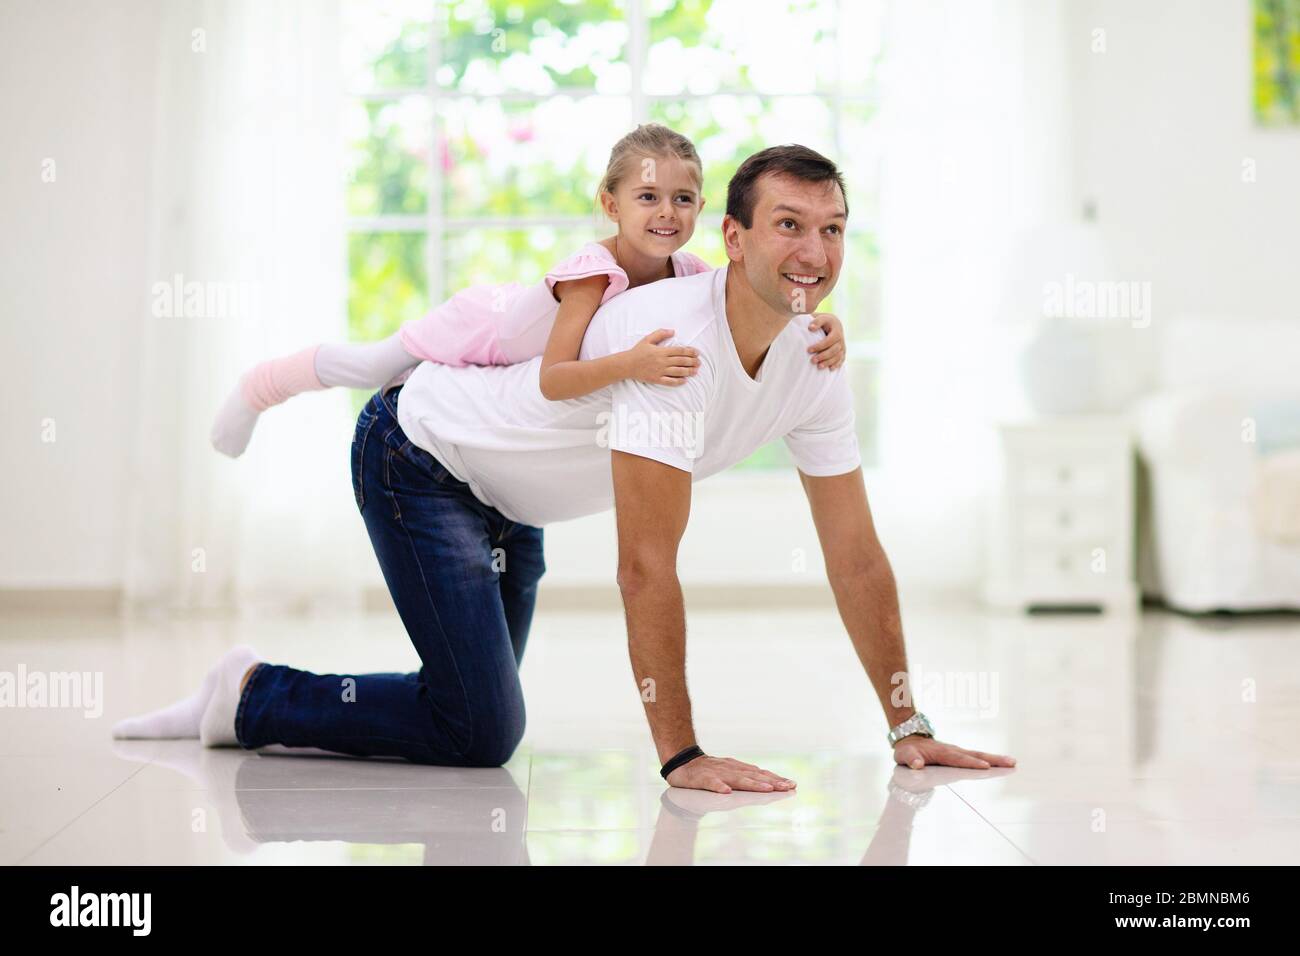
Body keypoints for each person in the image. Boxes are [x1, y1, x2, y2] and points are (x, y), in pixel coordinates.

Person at [117, 143, 1016, 792]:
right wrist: (682, 754)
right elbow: (645, 566)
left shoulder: (814, 364)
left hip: (513, 509)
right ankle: (250, 695)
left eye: (832, 229)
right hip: (420, 458)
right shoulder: (669, 343)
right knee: (482, 730)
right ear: (737, 241)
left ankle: (242, 695)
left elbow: (855, 554)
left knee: (461, 713)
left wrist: (910, 723)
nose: (814, 254)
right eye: (789, 225)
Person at [208, 123, 845, 459]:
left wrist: (820, 326)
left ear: (703, 208)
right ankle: (262, 385)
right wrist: (634, 365)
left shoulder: (692, 272)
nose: (665, 214)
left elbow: (753, 303)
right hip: (481, 327)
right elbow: (552, 377)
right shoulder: (593, 274)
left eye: (682, 200)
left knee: (389, 378)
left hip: (507, 352)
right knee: (375, 364)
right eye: (646, 197)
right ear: (609, 204)